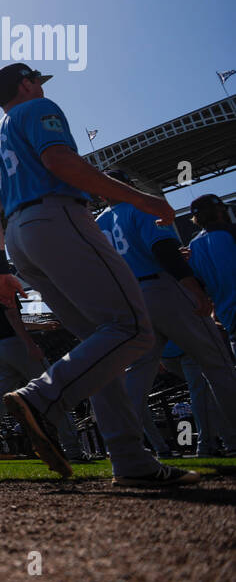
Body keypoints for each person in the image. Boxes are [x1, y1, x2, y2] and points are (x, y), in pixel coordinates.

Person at [0, 62, 197, 486]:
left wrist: (0, 267)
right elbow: (60, 161)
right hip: (57, 217)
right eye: (36, 81)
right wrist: (141, 200)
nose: (40, 86)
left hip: (21, 238)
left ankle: (131, 461)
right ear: (26, 84)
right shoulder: (37, 109)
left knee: (103, 348)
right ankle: (42, 398)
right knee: (134, 329)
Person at [96, 173, 236, 460]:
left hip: (129, 298)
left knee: (139, 374)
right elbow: (162, 249)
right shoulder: (142, 206)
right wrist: (193, 288)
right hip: (162, 287)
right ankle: (232, 438)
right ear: (129, 186)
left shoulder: (99, 224)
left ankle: (121, 446)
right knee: (217, 363)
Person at [0, 279, 85, 463]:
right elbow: (13, 319)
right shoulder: (4, 284)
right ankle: (73, 450)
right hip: (16, 344)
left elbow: (10, 320)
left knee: (0, 400)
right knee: (53, 390)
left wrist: (41, 326)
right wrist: (30, 344)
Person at [187, 193, 236, 358]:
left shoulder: (192, 247)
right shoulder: (231, 232)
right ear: (220, 210)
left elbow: (198, 286)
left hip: (228, 317)